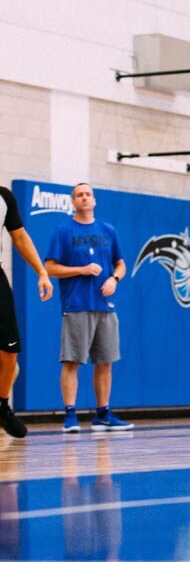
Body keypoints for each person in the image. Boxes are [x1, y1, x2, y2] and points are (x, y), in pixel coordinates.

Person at [45, 183, 132, 432]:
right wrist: (81, 270)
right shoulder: (63, 231)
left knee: (105, 361)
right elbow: (49, 268)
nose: (84, 198)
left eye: (88, 194)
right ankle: (70, 414)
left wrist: (114, 279)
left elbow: (121, 264)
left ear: (94, 200)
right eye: (79, 195)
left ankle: (103, 413)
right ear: (73, 202)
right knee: (72, 361)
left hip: (105, 305)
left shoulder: (108, 230)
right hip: (76, 304)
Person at [0, 185, 53, 438]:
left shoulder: (4, 197)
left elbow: (20, 237)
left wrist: (42, 272)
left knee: (10, 353)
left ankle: (1, 406)